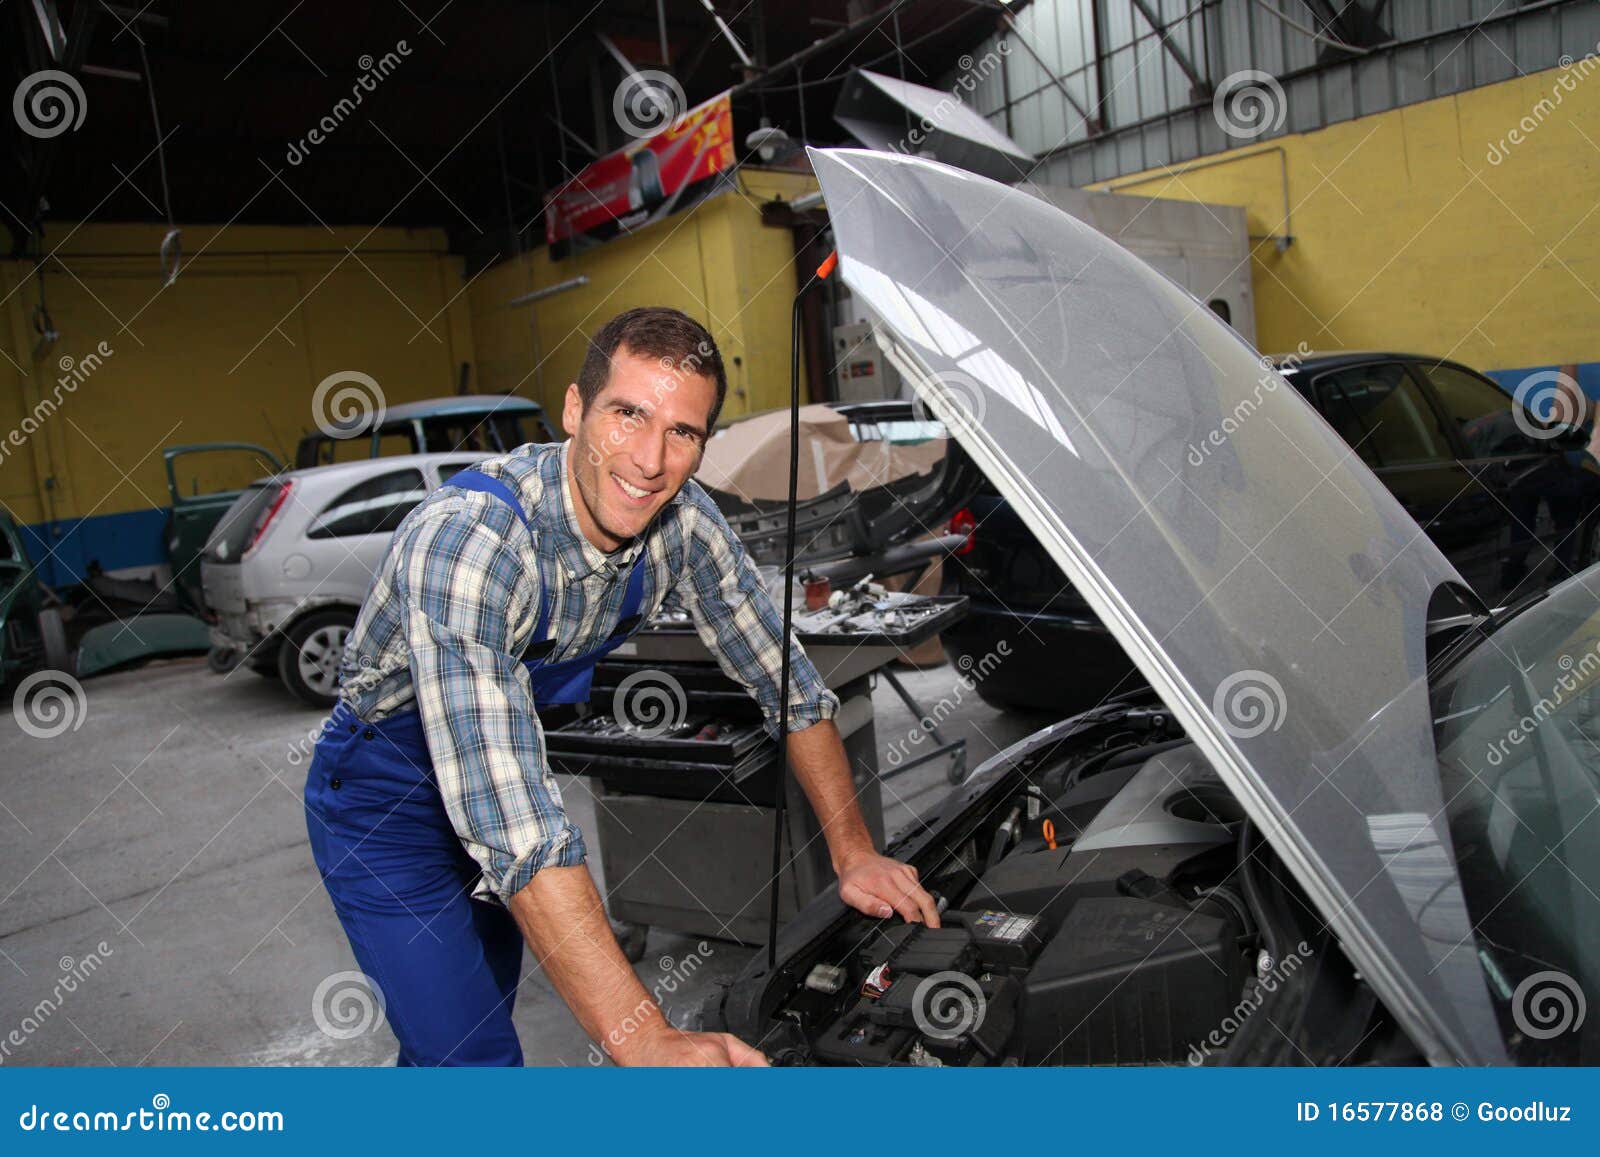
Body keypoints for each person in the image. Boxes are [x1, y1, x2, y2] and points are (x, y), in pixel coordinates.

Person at [303, 306, 938, 1067]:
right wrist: (645, 1035)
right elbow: (517, 827)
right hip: (388, 805)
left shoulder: (686, 527)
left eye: (683, 432)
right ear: (576, 408)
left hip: (498, 773)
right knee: (470, 1058)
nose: (648, 459)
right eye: (627, 414)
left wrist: (854, 850)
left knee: (469, 1013)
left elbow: (790, 687)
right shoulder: (470, 539)